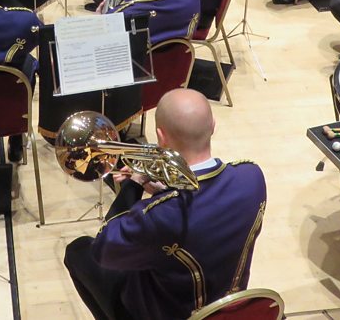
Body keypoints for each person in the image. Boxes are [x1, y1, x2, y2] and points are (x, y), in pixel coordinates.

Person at [63, 88, 267, 320]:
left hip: (166, 314)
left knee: (79, 251)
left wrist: (135, 183)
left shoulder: (159, 215)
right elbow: (206, 209)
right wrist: (167, 189)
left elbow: (104, 249)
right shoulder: (252, 177)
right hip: (226, 307)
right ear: (213, 126)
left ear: (161, 137)